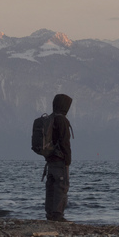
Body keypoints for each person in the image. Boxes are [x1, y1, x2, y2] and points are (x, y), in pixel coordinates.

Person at [44, 93, 73, 222]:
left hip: (50, 159)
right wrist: (68, 159)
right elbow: (64, 141)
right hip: (60, 159)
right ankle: (57, 215)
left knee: (51, 186)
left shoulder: (50, 118)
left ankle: (50, 213)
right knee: (61, 186)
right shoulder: (62, 120)